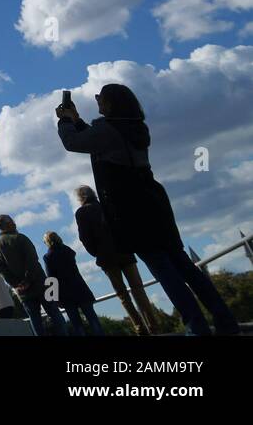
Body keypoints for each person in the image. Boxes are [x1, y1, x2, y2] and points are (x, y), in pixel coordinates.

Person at [57, 83, 240, 336]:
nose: (97, 99)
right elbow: (98, 141)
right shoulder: (134, 127)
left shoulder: (107, 131)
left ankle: (197, 327)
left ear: (110, 104)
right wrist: (76, 119)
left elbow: (74, 143)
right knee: (185, 267)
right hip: (154, 204)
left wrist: (65, 122)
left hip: (131, 211)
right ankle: (225, 322)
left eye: (101, 97)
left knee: (165, 273)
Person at [74, 184, 159, 335]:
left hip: (106, 257)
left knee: (122, 295)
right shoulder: (107, 205)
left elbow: (85, 238)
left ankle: (139, 327)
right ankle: (153, 326)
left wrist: (96, 252)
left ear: (80, 198)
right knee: (138, 290)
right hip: (125, 251)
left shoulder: (81, 213)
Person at [0, 214, 67, 335]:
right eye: (12, 220)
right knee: (55, 313)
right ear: (9, 224)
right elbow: (33, 260)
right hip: (40, 284)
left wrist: (17, 284)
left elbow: (2, 271)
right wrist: (28, 280)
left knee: (35, 320)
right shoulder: (21, 238)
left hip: (23, 292)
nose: (15, 223)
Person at [41, 231, 103, 335]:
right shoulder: (68, 251)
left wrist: (54, 297)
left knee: (77, 324)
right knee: (92, 318)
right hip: (80, 288)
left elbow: (51, 278)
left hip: (65, 294)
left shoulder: (48, 257)